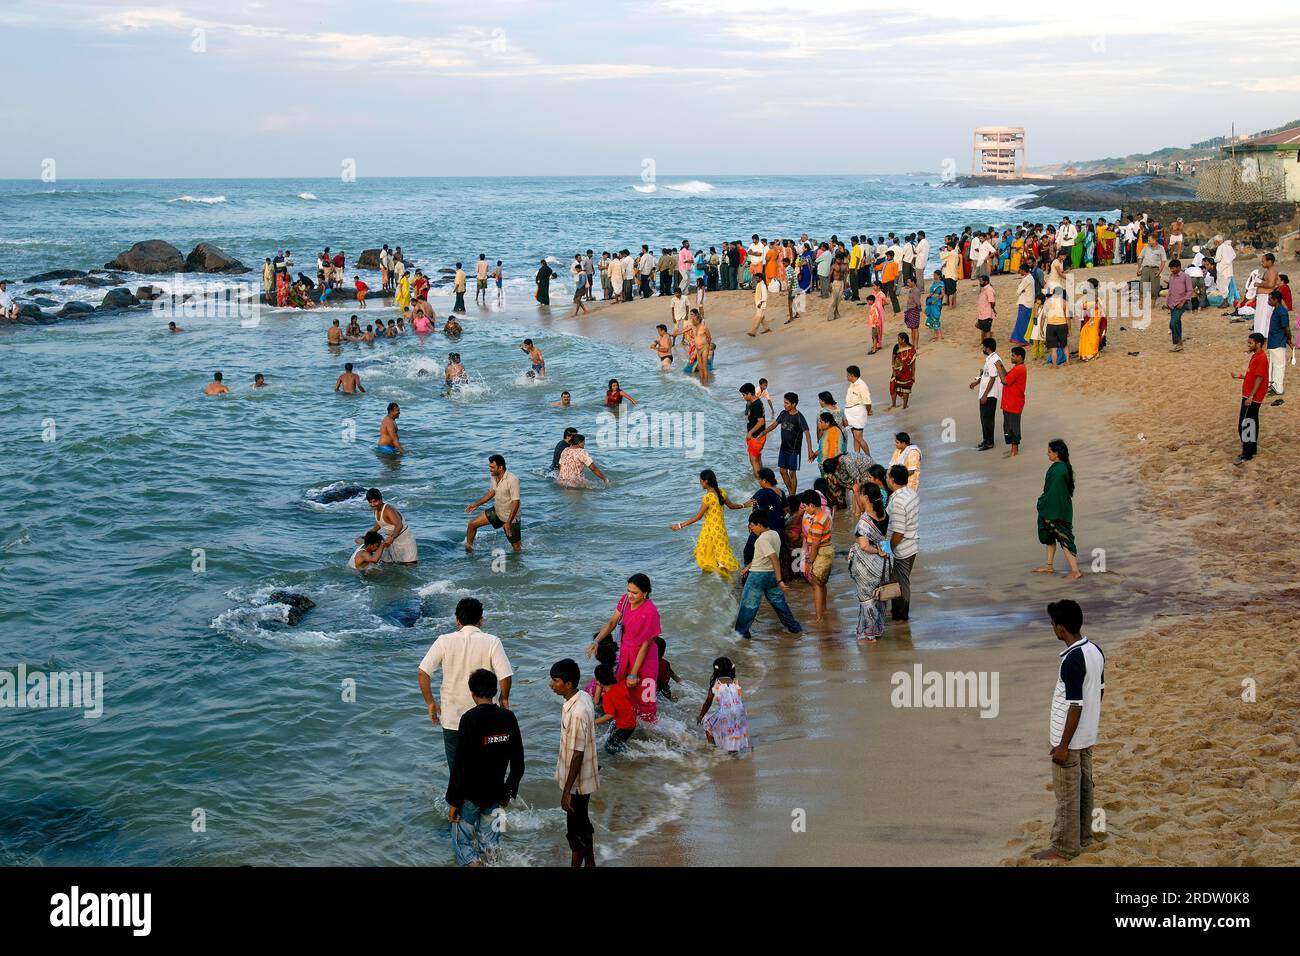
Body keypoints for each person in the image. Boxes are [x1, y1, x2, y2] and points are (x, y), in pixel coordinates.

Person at [1032, 599, 1105, 861]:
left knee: (1066, 795)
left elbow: (1075, 705)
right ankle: (1084, 836)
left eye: (1053, 625)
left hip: (1071, 739)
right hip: (1087, 735)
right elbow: (1099, 692)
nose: (1053, 628)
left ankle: (1064, 847)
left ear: (1061, 629)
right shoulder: (1095, 650)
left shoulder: (1071, 660)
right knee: (1085, 787)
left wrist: (1063, 744)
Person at [418, 597, 513, 770]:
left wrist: (430, 702)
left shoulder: (444, 640)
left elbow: (423, 672)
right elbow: (505, 675)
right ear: (481, 620)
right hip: (484, 718)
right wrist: (503, 698)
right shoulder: (492, 642)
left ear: (457, 620)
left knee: (457, 774)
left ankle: (459, 797)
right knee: (485, 770)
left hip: (452, 719)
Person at [445, 668, 524, 867]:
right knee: (491, 845)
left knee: (461, 840)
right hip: (496, 792)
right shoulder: (509, 717)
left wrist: (454, 802)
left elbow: (460, 765)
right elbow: (518, 762)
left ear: (472, 693)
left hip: (471, 794)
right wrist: (508, 790)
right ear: (495, 691)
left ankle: (473, 864)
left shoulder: (469, 719)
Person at [589, 573, 661, 723]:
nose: (630, 595)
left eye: (635, 593)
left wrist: (634, 673)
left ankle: (649, 729)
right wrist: (596, 641)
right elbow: (612, 622)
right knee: (622, 691)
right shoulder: (624, 600)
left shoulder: (650, 612)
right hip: (626, 653)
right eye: (628, 590)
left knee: (645, 699)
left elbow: (646, 645)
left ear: (645, 593)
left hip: (644, 657)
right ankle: (626, 720)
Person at [548, 658, 598, 867]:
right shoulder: (583, 697)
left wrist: (567, 791)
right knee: (583, 823)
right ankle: (591, 862)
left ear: (568, 684)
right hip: (586, 776)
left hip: (577, 782)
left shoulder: (576, 713)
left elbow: (577, 754)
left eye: (556, 681)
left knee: (574, 832)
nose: (552, 684)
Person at [733, 511, 802, 640]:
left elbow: (773, 558)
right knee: (779, 603)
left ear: (759, 524)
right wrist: (747, 567)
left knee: (749, 605)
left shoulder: (761, 540)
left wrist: (780, 580)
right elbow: (764, 556)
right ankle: (794, 628)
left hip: (758, 576)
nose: (751, 528)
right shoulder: (774, 534)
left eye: (752, 525)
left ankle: (741, 633)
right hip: (770, 574)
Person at [670, 469, 743, 575]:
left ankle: (720, 581)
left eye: (701, 480)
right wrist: (744, 505)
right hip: (721, 530)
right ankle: (723, 580)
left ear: (706, 481)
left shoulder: (708, 497)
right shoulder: (722, 492)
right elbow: (732, 506)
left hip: (710, 532)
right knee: (721, 557)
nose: (700, 482)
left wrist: (680, 525)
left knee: (706, 555)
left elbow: (698, 517)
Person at [848, 482, 890, 642]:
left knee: (867, 600)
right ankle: (877, 630)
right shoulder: (885, 515)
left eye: (860, 494)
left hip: (868, 566)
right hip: (884, 564)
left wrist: (876, 550)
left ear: (866, 497)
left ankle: (870, 634)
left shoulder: (864, 522)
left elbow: (864, 546)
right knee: (879, 597)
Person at [1035, 439, 1082, 580]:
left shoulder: (1059, 470)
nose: (1047, 454)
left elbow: (1054, 492)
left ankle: (1075, 571)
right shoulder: (1061, 467)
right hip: (1058, 506)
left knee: (1064, 538)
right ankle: (1049, 565)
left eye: (1050, 452)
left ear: (1057, 453)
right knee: (1050, 536)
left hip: (1057, 509)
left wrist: (1045, 506)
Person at [464, 454, 521, 552]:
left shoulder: (512, 480)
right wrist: (476, 504)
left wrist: (508, 522)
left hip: (510, 518)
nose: (490, 469)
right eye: (489, 467)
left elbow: (516, 502)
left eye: (492, 467)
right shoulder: (494, 476)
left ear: (500, 467)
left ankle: (517, 565)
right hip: (497, 512)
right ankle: (468, 549)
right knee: (472, 524)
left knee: (517, 549)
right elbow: (491, 492)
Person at [885, 464, 919, 621]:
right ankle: (897, 612)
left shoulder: (898, 501)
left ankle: (902, 615)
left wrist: (888, 549)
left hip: (902, 548)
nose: (886, 479)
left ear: (892, 480)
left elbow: (899, 531)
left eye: (887, 476)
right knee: (900, 581)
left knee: (902, 583)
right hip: (912, 544)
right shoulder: (911, 493)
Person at [764, 392, 813, 496]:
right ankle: (791, 492)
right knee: (782, 471)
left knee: (792, 473)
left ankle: (792, 495)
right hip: (783, 448)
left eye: (786, 403)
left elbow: (807, 433)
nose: (784, 405)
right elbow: (774, 425)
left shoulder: (799, 417)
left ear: (793, 404)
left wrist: (810, 450)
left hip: (794, 450)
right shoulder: (783, 413)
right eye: (784, 402)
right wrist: (763, 433)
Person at [697, 657, 749, 753]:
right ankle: (733, 750)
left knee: (707, 723)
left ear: (715, 670)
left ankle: (713, 750)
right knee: (733, 730)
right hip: (741, 712)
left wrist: (701, 715)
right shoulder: (735, 683)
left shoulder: (716, 684)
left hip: (726, 712)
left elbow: (708, 702)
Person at [797, 490, 833, 623]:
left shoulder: (817, 521)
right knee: (822, 583)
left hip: (821, 552)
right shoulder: (825, 515)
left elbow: (815, 544)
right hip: (827, 549)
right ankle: (823, 610)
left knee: (816, 584)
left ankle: (819, 617)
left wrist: (810, 561)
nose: (805, 509)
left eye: (805, 506)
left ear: (812, 505)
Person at [1232, 332, 1268, 463]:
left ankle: (1247, 453)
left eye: (1250, 343)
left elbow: (1259, 378)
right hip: (1250, 395)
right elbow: (1253, 374)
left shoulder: (1261, 358)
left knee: (1245, 424)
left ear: (1258, 344)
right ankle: (1251, 450)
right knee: (1251, 422)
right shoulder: (1256, 356)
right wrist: (1240, 376)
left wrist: (1251, 396)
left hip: (1252, 396)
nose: (1248, 345)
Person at [361, 487, 418, 564]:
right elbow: (379, 524)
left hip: (404, 540)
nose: (372, 504)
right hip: (393, 540)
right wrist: (367, 536)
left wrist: (391, 538)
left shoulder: (388, 510)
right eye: (370, 502)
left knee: (410, 566)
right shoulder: (376, 510)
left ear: (381, 499)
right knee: (396, 564)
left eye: (375, 501)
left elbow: (399, 525)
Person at [591, 663, 636, 754]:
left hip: (625, 726)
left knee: (609, 747)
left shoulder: (607, 697)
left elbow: (610, 715)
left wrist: (593, 722)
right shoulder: (623, 684)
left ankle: (629, 759)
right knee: (610, 733)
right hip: (631, 720)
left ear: (599, 682)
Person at [970, 338, 1006, 450]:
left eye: (983, 347)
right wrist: (976, 382)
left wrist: (985, 395)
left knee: (987, 419)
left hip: (990, 394)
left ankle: (989, 442)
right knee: (984, 418)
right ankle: (986, 440)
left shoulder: (993, 360)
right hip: (985, 393)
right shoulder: (990, 359)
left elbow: (992, 378)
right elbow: (986, 374)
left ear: (987, 348)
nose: (983, 349)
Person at [1000, 347, 1028, 457]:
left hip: (1014, 402)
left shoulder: (1019, 369)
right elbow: (1007, 376)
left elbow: (1005, 381)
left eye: (1013, 355)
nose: (1011, 357)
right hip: (1009, 402)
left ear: (1020, 357)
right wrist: (1000, 367)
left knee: (1013, 426)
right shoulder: (1016, 368)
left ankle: (1014, 450)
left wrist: (998, 366)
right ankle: (1013, 448)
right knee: (1008, 426)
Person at [1265, 290, 1292, 395]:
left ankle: (1278, 388)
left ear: (1276, 300)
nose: (1268, 301)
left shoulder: (1281, 311)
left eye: (1270, 299)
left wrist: (1289, 340)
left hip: (1277, 342)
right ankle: (1273, 385)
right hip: (1274, 342)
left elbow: (1287, 328)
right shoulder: (1277, 310)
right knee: (1274, 365)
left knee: (1278, 366)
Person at [841, 365, 872, 455]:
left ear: (852, 375)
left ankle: (869, 457)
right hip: (850, 413)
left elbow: (868, 402)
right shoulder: (852, 384)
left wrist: (867, 412)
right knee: (855, 437)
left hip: (858, 414)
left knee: (859, 437)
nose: (846, 376)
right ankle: (857, 456)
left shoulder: (862, 385)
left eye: (847, 374)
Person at [740, 383, 767, 476]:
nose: (743, 397)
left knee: (753, 460)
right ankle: (764, 478)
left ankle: (760, 480)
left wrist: (750, 433)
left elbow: (761, 421)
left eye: (744, 395)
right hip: (757, 436)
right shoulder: (754, 403)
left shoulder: (756, 404)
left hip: (756, 436)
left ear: (750, 394)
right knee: (757, 458)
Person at [888, 332, 916, 410]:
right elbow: (893, 359)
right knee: (893, 386)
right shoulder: (896, 347)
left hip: (907, 372)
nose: (897, 340)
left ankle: (904, 406)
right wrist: (893, 370)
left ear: (903, 340)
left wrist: (913, 375)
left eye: (899, 339)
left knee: (906, 389)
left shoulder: (911, 349)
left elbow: (913, 364)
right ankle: (893, 404)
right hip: (897, 371)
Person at [924, 268, 944, 341]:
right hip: (931, 301)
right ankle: (935, 335)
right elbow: (931, 292)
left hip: (936, 303)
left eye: (935, 275)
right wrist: (929, 296)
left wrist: (935, 301)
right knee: (932, 318)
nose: (933, 276)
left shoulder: (941, 283)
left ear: (938, 276)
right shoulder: (934, 283)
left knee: (936, 318)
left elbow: (942, 295)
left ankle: (939, 336)